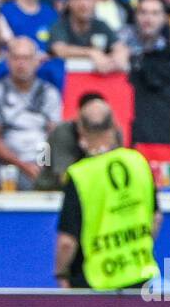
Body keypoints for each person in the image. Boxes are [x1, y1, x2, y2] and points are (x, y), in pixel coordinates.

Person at [54, 99, 160, 290]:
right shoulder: (138, 161)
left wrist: (61, 273)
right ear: (114, 125)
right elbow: (156, 217)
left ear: (81, 129)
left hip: (93, 281)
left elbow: (67, 242)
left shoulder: (80, 174)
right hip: (139, 274)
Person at [0, 36, 61, 191]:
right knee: (26, 183)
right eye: (16, 58)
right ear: (8, 60)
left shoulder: (49, 93)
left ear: (36, 61)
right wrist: (23, 165)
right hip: (6, 163)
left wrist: (41, 165)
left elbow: (51, 135)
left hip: (40, 159)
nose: (21, 63)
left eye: (26, 58)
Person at [48, 0, 130, 72]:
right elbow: (60, 50)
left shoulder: (100, 25)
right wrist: (91, 53)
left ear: (95, 1)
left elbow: (120, 47)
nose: (83, 4)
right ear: (69, 2)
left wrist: (118, 56)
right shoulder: (59, 25)